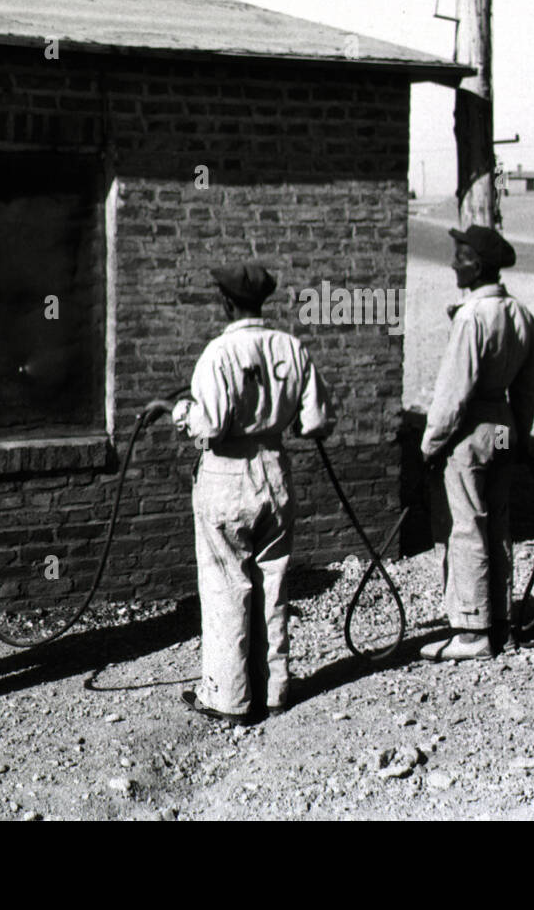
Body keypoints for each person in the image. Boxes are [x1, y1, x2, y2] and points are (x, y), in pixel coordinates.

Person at [145, 263, 336, 723]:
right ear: (263, 302)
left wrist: (177, 410)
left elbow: (208, 424)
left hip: (227, 477)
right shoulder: (292, 347)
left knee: (226, 586)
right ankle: (274, 690)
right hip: (276, 472)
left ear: (226, 303)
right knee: (272, 581)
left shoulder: (219, 352)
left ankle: (228, 699)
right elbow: (315, 422)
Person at [419, 225, 534, 661]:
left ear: (478, 264)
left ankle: (472, 630)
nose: (453, 263)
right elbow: (528, 388)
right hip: (504, 426)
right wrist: (520, 437)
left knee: (467, 524)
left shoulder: (472, 318)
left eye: (460, 255)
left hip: (471, 430)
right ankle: (502, 620)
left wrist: (431, 444)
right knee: (499, 522)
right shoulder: (520, 313)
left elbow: (454, 393)